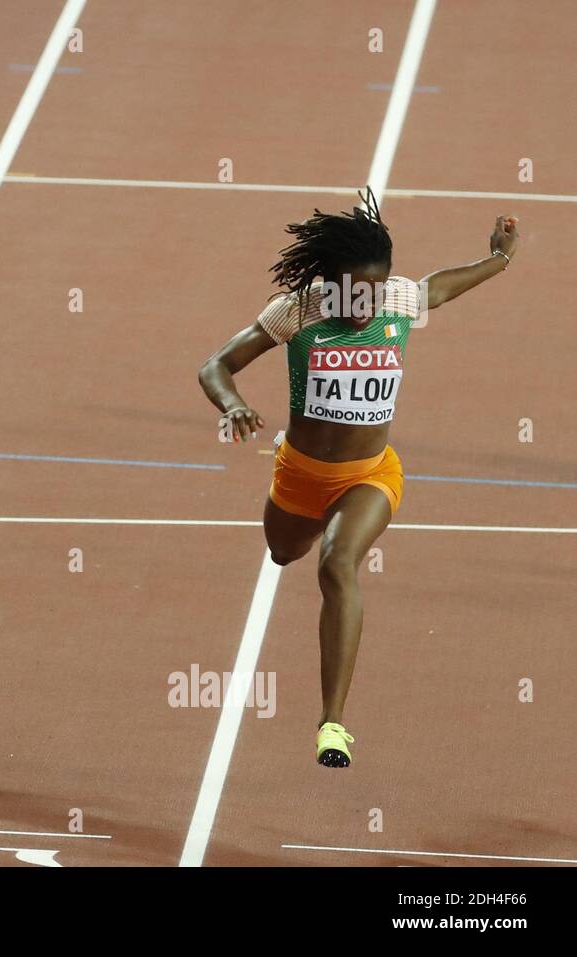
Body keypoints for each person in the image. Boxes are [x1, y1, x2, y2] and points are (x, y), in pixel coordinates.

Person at [199, 187, 518, 767]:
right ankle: (299, 504)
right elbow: (215, 364)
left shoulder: (397, 302)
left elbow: (441, 287)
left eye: (376, 287)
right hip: (299, 474)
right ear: (328, 280)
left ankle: (331, 724)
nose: (366, 302)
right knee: (281, 552)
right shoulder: (297, 310)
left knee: (337, 563)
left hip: (370, 474)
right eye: (354, 289)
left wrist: (498, 259)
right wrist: (231, 405)